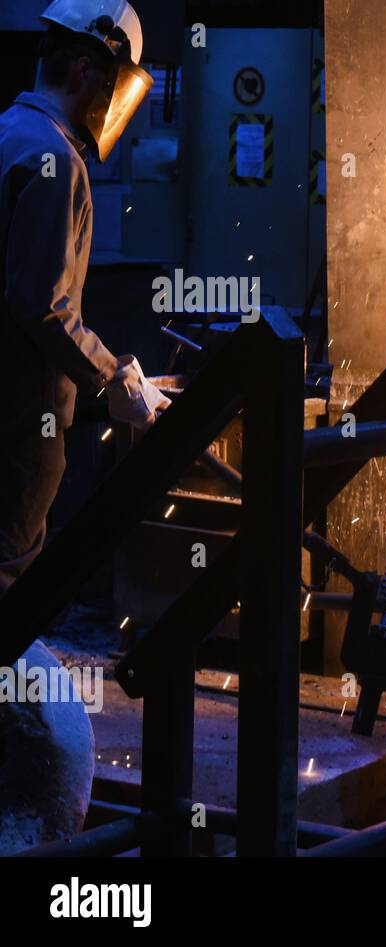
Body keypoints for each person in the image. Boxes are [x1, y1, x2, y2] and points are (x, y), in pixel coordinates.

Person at [0, 0, 168, 595]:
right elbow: (40, 304)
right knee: (9, 578)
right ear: (84, 72)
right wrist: (111, 375)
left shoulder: (7, 133)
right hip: (22, 420)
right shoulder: (54, 158)